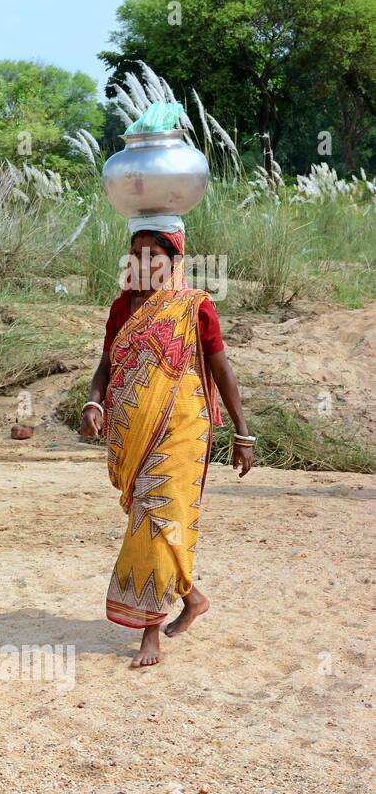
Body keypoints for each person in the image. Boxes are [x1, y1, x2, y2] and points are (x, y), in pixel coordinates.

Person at [80, 224, 254, 667]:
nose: (143, 262)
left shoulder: (195, 307)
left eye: (153, 254)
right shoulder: (122, 307)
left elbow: (221, 368)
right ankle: (192, 597)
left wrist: (242, 432)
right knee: (151, 516)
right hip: (134, 430)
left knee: (157, 518)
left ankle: (149, 632)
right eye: (136, 253)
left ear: (174, 261)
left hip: (183, 429)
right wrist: (93, 402)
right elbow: (107, 361)